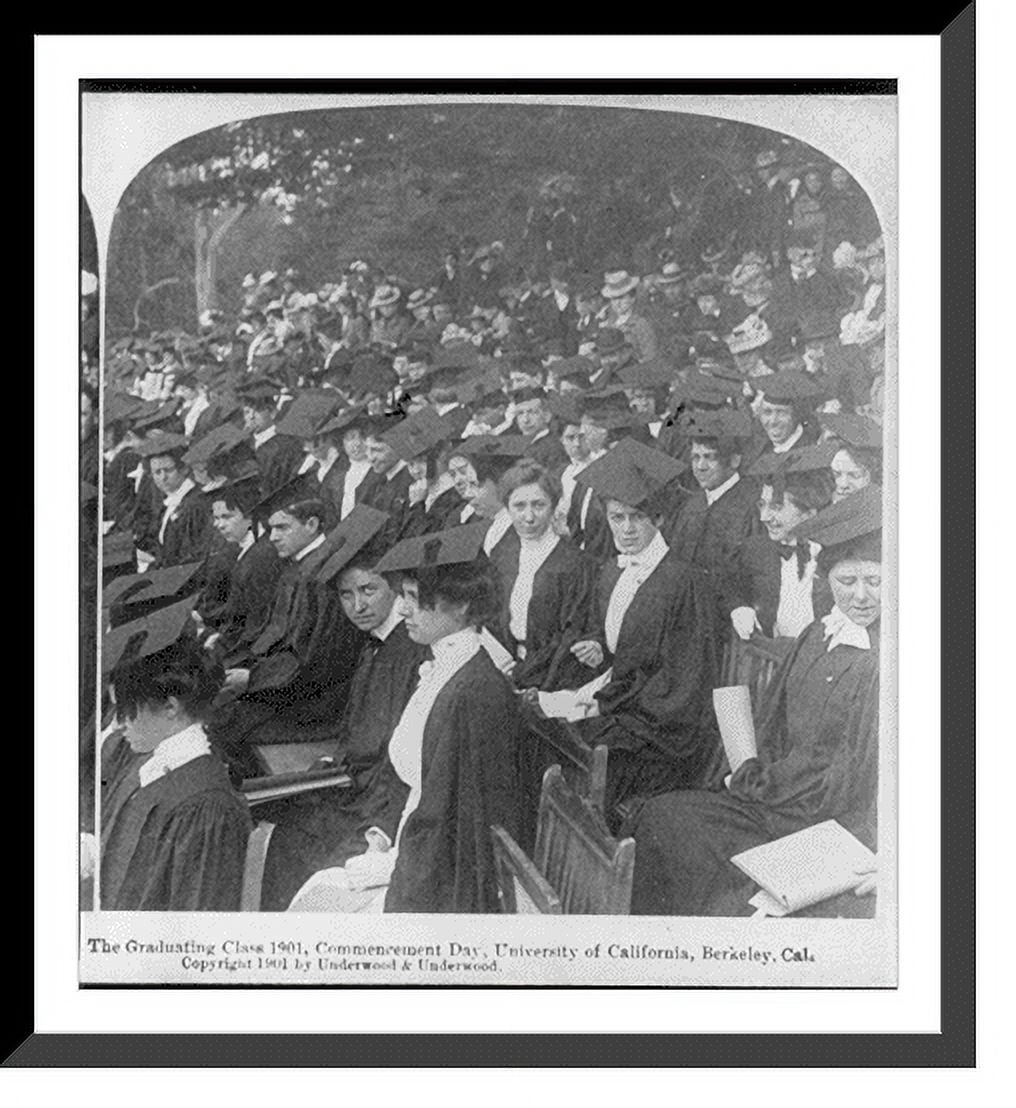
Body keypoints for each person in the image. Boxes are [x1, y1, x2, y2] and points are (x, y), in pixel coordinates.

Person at [629, 485, 882, 916]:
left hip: (824, 826)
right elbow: (771, 724)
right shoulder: (818, 635)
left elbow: (853, 785)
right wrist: (750, 775)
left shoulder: (887, 660)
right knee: (661, 816)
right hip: (778, 797)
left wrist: (758, 784)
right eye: (847, 581)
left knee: (720, 879)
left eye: (875, 581)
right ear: (827, 580)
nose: (860, 596)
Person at [288, 524, 522, 914]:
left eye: (415, 598)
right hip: (407, 846)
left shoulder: (471, 692)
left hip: (437, 883)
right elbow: (412, 783)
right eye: (405, 596)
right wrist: (379, 838)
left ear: (461, 606)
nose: (403, 609)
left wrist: (392, 870)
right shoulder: (441, 668)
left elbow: (454, 828)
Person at [527, 439, 722, 827]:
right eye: (618, 518)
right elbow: (620, 640)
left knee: (578, 744)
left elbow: (682, 681)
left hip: (661, 731)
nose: (627, 529)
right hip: (623, 701)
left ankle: (589, 848)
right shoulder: (612, 572)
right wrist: (599, 646)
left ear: (659, 520)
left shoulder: (684, 583)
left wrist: (605, 704)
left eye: (638, 517)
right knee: (538, 729)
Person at [258, 548, 429, 910]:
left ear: (394, 588)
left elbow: (397, 753)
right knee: (281, 822)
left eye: (369, 590)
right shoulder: (373, 644)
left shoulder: (410, 652)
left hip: (381, 798)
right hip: (357, 781)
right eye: (346, 595)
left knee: (298, 845)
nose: (358, 606)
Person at [208, 493, 382, 777]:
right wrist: (240, 668)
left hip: (320, 699)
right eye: (270, 528)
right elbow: (275, 635)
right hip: (291, 682)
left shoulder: (322, 577)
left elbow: (316, 658)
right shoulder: (298, 568)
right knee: (217, 708)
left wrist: (252, 678)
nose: (273, 537)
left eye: (282, 527)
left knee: (224, 722)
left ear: (311, 525)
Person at [97, 630, 251, 911]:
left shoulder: (208, 808)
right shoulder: (147, 761)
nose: (119, 724)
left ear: (170, 707)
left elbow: (194, 918)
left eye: (126, 710)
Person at [486, 460, 597, 692]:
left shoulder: (576, 564)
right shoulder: (502, 556)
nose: (529, 517)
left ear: (554, 506)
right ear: (507, 508)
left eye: (538, 505)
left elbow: (570, 636)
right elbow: (491, 620)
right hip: (504, 670)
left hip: (553, 679)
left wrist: (525, 679)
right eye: (519, 506)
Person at [726, 451, 836, 641]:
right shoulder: (753, 550)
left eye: (776, 507)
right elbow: (729, 587)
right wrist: (739, 608)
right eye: (762, 505)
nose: (764, 517)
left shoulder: (835, 555)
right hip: (769, 653)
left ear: (810, 512)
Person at [662, 410, 762, 598]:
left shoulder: (752, 506)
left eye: (710, 457)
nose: (700, 466)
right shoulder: (691, 505)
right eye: (695, 457)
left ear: (734, 460)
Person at [136, 433, 214, 570]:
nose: (163, 477)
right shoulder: (167, 503)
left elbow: (192, 554)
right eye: (157, 472)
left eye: (168, 470)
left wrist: (155, 561)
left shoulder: (195, 502)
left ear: (183, 469)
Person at [238, 377, 306, 499]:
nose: (251, 417)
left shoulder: (286, 444)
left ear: (272, 412)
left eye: (258, 410)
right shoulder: (246, 445)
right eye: (247, 412)